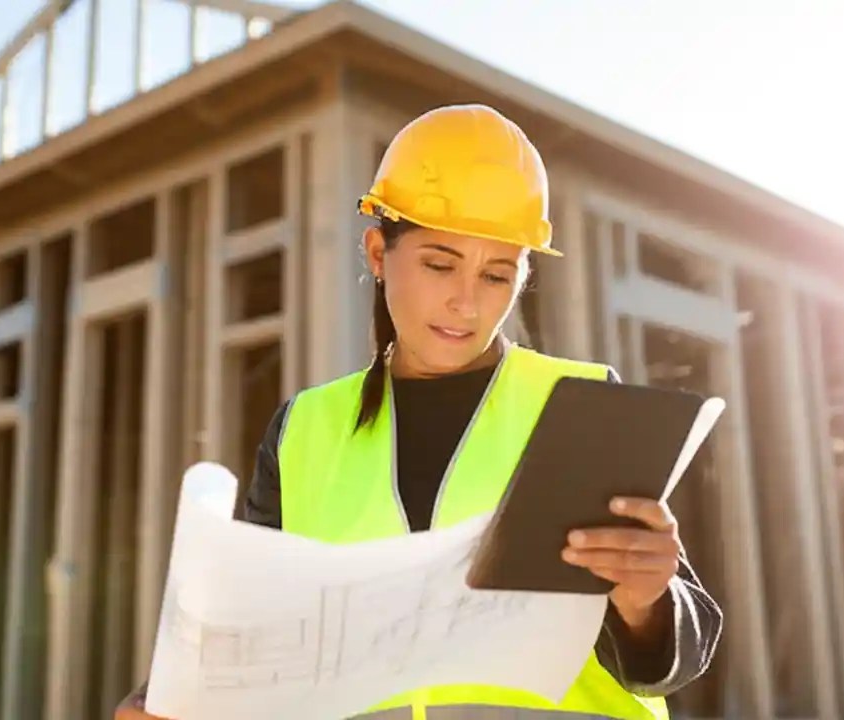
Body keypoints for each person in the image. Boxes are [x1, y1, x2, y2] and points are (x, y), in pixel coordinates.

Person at [116, 103, 721, 719]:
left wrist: (649, 599)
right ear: (378, 252)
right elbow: (249, 629)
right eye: (439, 264)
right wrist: (170, 695)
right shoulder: (303, 430)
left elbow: (680, 650)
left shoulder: (583, 403)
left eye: (496, 275)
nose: (466, 303)